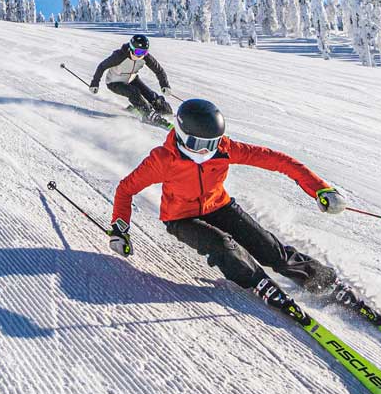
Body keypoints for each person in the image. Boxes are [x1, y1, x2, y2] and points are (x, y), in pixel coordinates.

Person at [106, 97, 348, 304]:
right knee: (224, 246)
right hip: (181, 218)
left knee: (270, 249)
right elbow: (126, 189)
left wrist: (320, 189)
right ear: (180, 135)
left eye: (211, 144)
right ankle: (256, 281)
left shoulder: (225, 149)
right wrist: (120, 228)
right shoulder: (163, 160)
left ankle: (324, 281)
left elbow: (279, 161)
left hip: (220, 206)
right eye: (197, 144)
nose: (204, 151)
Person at [87, 33, 171, 120]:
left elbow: (159, 70)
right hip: (114, 82)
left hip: (132, 79)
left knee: (151, 95)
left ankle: (166, 111)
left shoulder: (146, 57)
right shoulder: (119, 56)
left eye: (144, 52)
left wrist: (165, 85)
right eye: (138, 52)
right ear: (131, 48)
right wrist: (94, 83)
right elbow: (102, 66)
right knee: (134, 92)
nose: (140, 55)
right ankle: (148, 114)